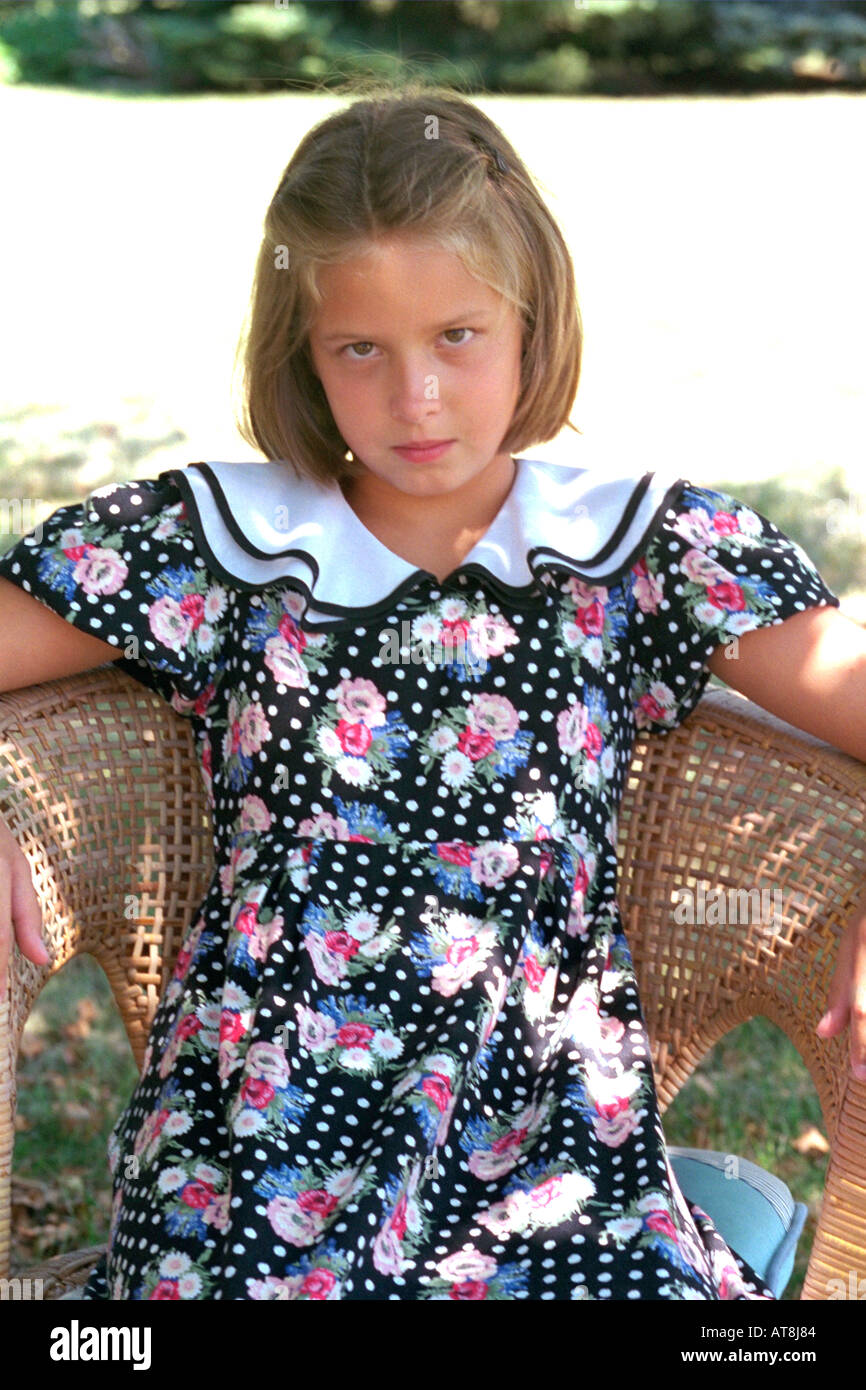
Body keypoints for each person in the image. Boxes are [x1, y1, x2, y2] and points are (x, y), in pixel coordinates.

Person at [1, 81, 865, 1302]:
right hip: (258, 1117)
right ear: (300, 350)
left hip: (549, 1114)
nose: (414, 398)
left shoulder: (630, 547)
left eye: (457, 336)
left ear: (529, 319)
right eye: (360, 347)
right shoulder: (224, 543)